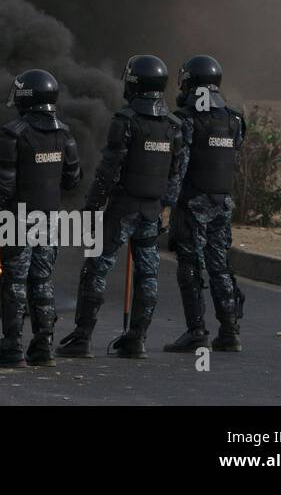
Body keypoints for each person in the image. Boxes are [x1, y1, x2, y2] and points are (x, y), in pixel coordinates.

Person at [58, 55, 183, 359]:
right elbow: (175, 175)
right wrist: (166, 209)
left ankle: (82, 337)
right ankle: (136, 339)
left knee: (96, 269)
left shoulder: (126, 121)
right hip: (152, 211)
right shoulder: (173, 126)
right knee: (148, 275)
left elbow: (108, 171)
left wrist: (91, 208)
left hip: (123, 209)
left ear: (134, 83)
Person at [0, 69, 82, 367]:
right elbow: (73, 179)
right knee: (42, 280)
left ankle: (12, 348)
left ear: (23, 97)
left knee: (15, 283)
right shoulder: (64, 133)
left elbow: (3, 184)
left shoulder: (14, 133)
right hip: (50, 219)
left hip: (18, 221)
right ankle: (43, 346)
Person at [164, 55, 247, 353]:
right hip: (222, 203)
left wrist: (166, 205)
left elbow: (179, 167)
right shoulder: (234, 119)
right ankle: (230, 331)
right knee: (220, 266)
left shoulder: (185, 119)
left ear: (189, 82)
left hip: (193, 204)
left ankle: (197, 331)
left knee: (190, 267)